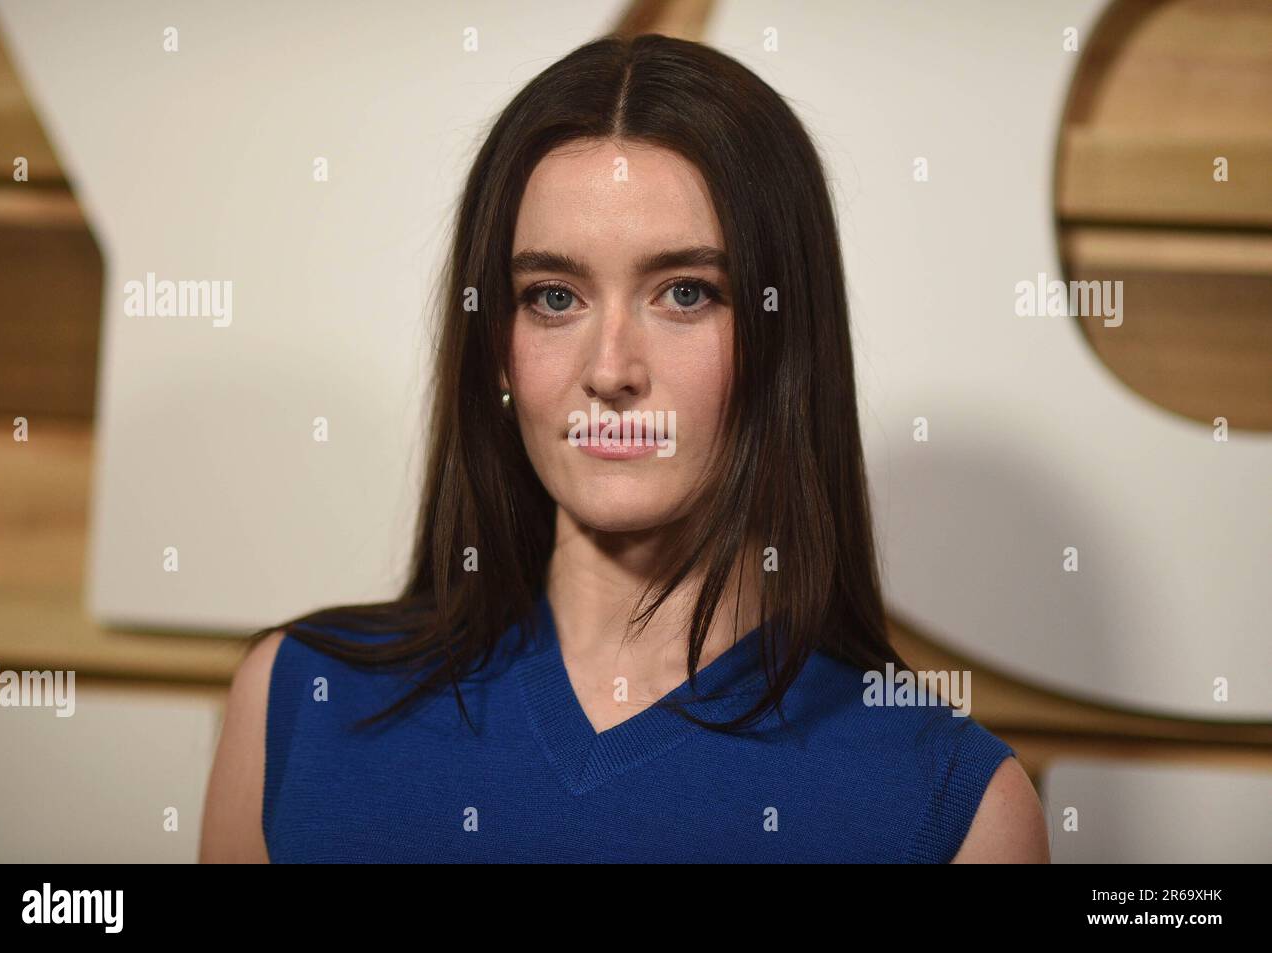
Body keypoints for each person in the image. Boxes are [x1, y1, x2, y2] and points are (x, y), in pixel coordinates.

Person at [200, 32, 1048, 863]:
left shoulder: (952, 808)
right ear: (496, 345)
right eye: (554, 297)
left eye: (685, 293)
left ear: (785, 340)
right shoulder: (299, 703)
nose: (610, 370)